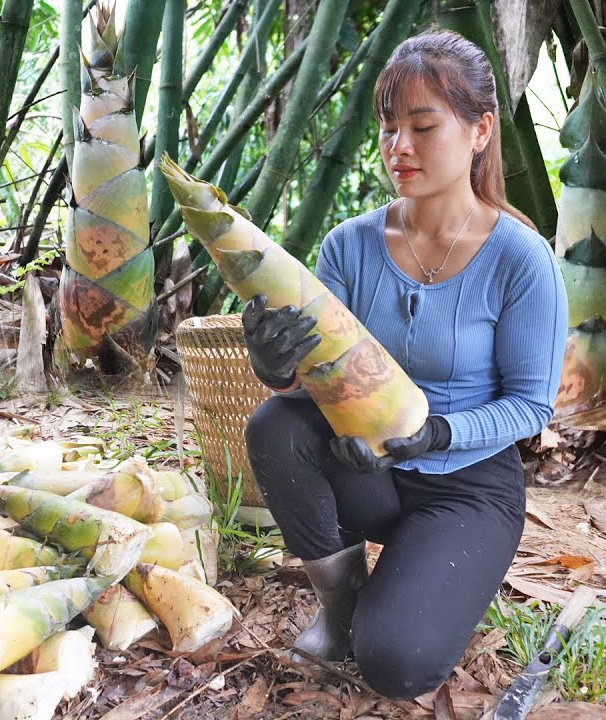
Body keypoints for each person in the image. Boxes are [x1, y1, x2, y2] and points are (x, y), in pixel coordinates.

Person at [241, 28, 569, 700]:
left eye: (423, 126)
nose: (400, 147)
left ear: (479, 132)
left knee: (396, 664)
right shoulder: (350, 245)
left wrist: (435, 434)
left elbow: (533, 406)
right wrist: (275, 365)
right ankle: (340, 602)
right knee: (276, 422)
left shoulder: (520, 259)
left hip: (467, 489)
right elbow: (317, 375)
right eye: (389, 127)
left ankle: (402, 600)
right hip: (369, 471)